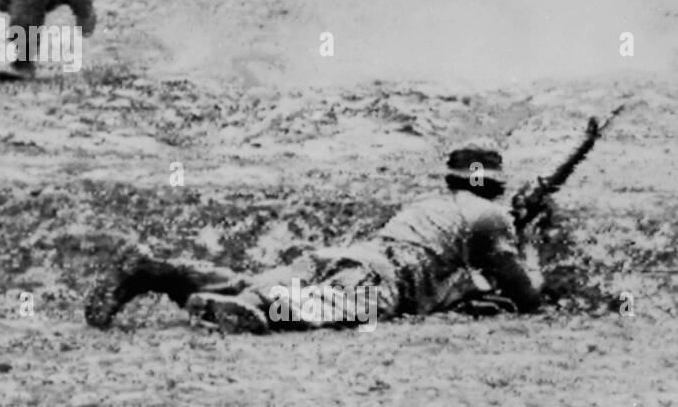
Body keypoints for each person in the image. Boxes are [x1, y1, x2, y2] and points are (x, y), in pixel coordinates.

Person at [85, 139, 547, 333]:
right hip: (385, 277)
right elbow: (526, 296)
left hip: (350, 256)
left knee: (256, 284)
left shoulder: (429, 206)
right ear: (495, 185)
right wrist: (530, 243)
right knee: (310, 313)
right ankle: (241, 309)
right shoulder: (490, 217)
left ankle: (159, 274)